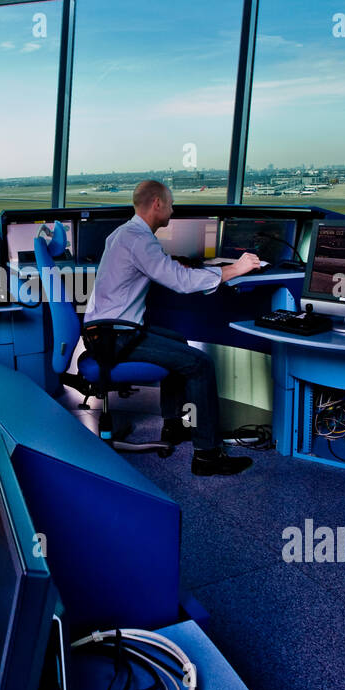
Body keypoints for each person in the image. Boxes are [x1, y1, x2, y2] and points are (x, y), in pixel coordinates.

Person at [83, 180, 263, 476]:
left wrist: (174, 263)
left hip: (105, 330)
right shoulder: (139, 239)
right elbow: (179, 282)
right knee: (200, 363)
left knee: (178, 340)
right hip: (115, 336)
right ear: (157, 204)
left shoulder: (123, 234)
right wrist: (235, 269)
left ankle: (174, 425)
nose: (172, 208)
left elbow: (155, 268)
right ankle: (207, 455)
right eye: (170, 203)